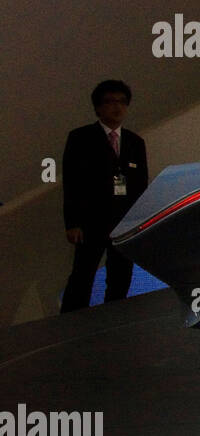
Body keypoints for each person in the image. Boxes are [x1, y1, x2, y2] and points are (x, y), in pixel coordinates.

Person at [60, 79, 149, 312]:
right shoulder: (80, 138)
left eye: (121, 102)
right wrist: (73, 223)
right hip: (90, 221)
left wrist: (138, 222)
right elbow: (72, 183)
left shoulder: (135, 142)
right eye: (110, 102)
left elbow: (141, 184)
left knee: (121, 275)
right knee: (82, 275)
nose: (117, 107)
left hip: (124, 221)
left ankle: (113, 317)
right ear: (98, 108)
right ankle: (70, 322)